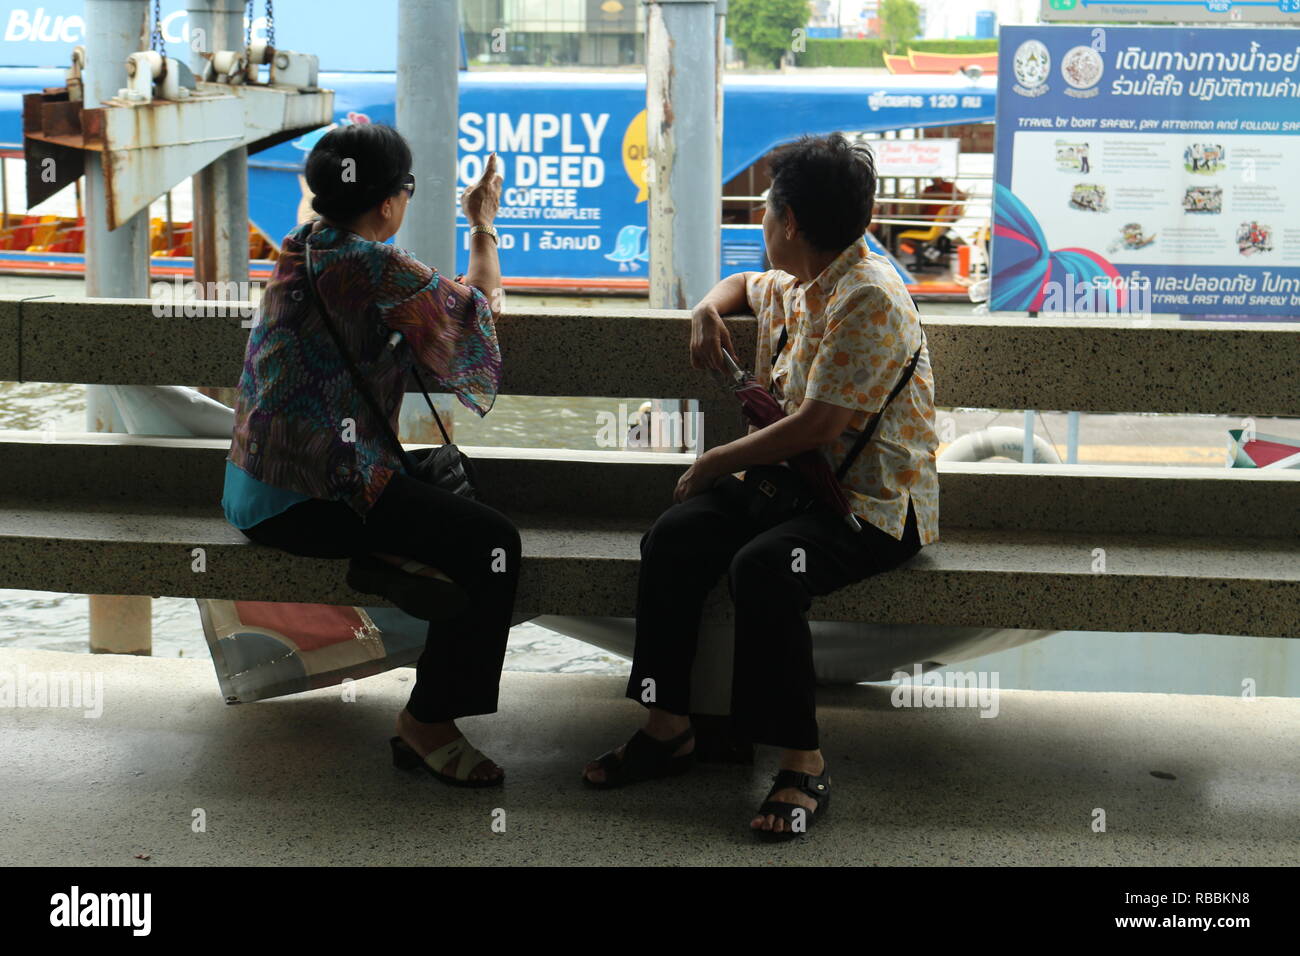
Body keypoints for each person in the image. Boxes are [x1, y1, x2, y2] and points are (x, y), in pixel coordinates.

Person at [582, 133, 941, 839]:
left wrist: (715, 461)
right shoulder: (808, 278)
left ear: (791, 223)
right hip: (794, 486)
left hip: (871, 504)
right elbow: (745, 286)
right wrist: (705, 308)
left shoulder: (868, 297)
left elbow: (817, 425)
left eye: (767, 210)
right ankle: (666, 725)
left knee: (767, 569)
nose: (761, 223)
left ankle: (803, 761)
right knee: (673, 539)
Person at [222, 122, 520, 788]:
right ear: (388, 202)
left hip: (250, 489)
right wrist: (482, 224)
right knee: (493, 545)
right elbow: (479, 318)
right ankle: (429, 723)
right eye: (406, 189)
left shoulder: (302, 246)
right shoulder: (374, 266)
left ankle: (387, 557)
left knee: (449, 499)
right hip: (312, 500)